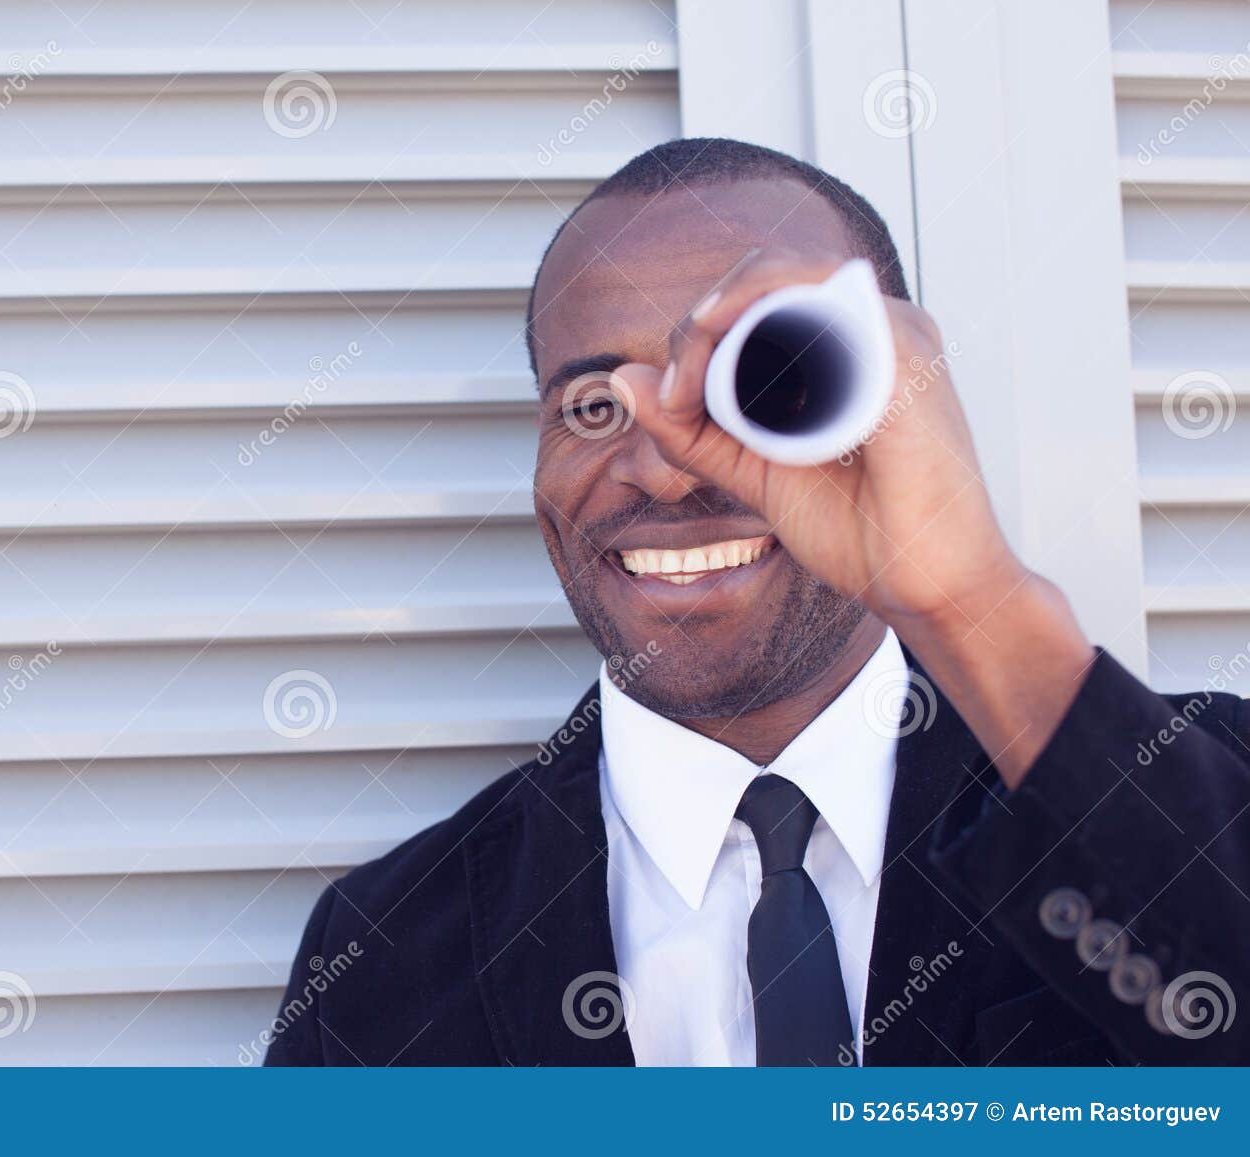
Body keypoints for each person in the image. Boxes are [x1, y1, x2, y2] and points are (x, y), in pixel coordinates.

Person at [263, 138, 1248, 1066]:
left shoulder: (1190, 794)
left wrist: (969, 597)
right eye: (593, 405)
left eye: (762, 382)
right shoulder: (383, 955)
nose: (665, 467)